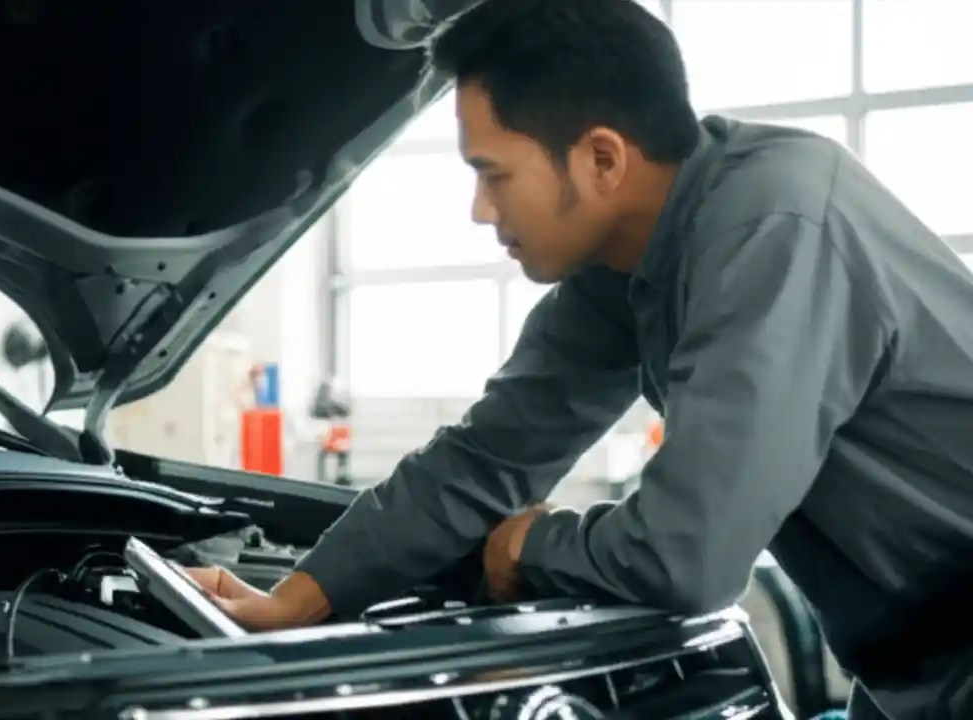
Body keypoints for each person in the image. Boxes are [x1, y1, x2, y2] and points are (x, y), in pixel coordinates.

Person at [187, 1, 973, 717]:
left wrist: (534, 547)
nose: (480, 210)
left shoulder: (773, 227)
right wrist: (294, 601)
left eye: (494, 174)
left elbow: (684, 557)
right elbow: (486, 455)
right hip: (915, 673)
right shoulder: (628, 269)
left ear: (602, 158)